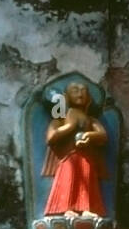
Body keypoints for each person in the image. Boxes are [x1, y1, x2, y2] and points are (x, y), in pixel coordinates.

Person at [41, 81, 108, 218]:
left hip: (86, 158)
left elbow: (102, 135)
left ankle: (87, 209)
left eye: (84, 90)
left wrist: (88, 135)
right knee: (68, 180)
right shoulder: (60, 119)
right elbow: (51, 137)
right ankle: (67, 208)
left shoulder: (91, 120)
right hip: (68, 159)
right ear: (65, 97)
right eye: (75, 90)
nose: (80, 93)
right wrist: (71, 125)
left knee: (87, 181)